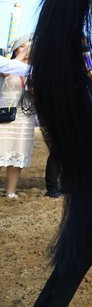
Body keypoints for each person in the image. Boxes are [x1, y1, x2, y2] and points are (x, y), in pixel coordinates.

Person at [0, 36, 34, 199]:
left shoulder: (34, 69)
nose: (26, 49)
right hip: (4, 115)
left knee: (16, 154)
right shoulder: (7, 64)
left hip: (24, 116)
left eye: (29, 47)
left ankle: (11, 191)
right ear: (15, 49)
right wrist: (20, 56)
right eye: (22, 46)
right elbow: (5, 73)